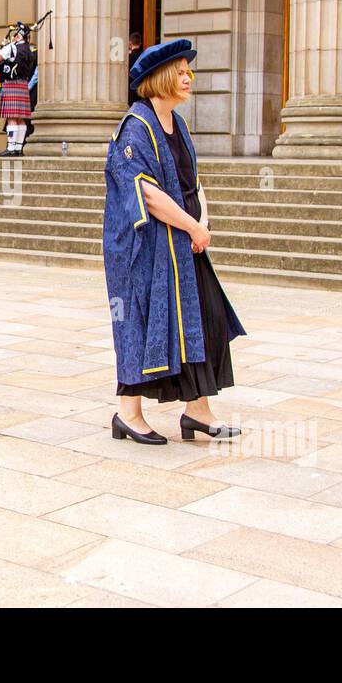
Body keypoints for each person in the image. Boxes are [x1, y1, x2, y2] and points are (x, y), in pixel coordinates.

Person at [103, 39, 245, 444]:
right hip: (143, 247)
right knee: (141, 321)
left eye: (188, 71)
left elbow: (191, 181)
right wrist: (192, 227)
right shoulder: (136, 127)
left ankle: (197, 411)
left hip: (181, 239)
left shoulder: (176, 124)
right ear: (160, 78)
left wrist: (202, 220)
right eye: (180, 72)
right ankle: (127, 415)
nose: (188, 78)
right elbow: (145, 193)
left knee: (204, 318)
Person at [0, 22, 36, 157]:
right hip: (24, 84)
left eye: (15, 34)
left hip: (11, 84)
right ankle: (18, 148)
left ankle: (11, 148)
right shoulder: (29, 50)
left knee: (12, 117)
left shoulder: (12, 47)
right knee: (21, 118)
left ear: (18, 36)